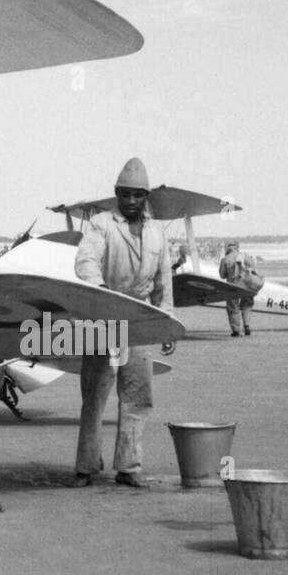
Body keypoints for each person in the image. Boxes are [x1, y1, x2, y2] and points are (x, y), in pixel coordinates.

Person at [72, 157, 173, 489]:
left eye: (137, 195)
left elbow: (164, 282)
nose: (131, 201)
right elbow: (86, 260)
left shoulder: (158, 233)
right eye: (125, 194)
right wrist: (99, 290)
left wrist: (166, 322)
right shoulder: (101, 224)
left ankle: (129, 467)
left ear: (146, 197)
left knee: (137, 395)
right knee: (95, 393)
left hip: (140, 319)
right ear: (117, 194)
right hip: (104, 314)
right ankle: (86, 466)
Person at [219, 241, 254, 337]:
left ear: (227, 248)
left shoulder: (225, 259)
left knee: (233, 308)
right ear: (237, 247)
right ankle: (246, 326)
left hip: (232, 285)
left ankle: (236, 330)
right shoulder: (246, 257)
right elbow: (253, 270)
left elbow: (222, 275)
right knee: (247, 306)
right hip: (247, 285)